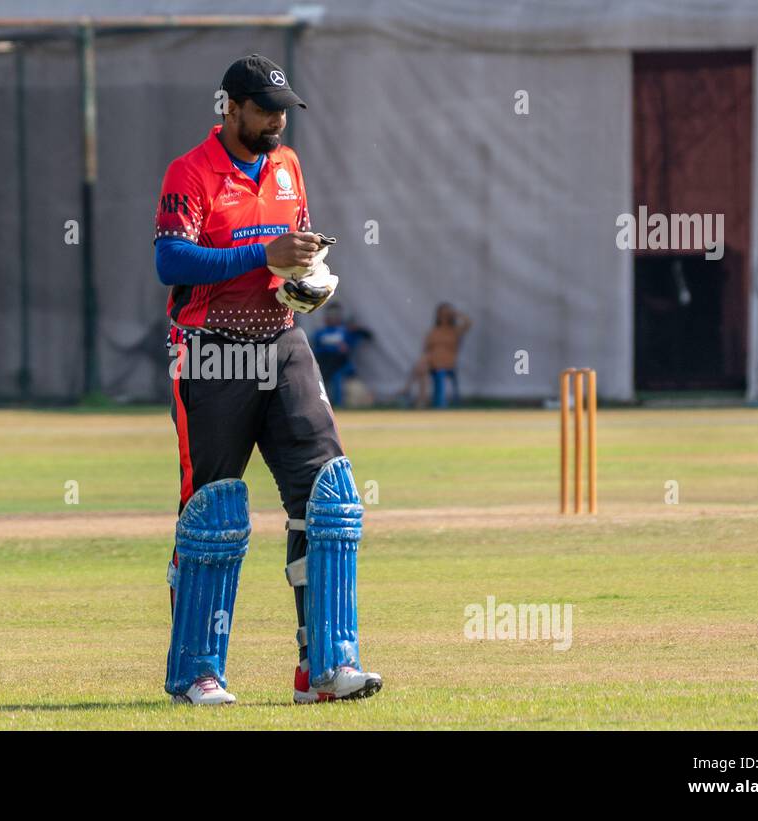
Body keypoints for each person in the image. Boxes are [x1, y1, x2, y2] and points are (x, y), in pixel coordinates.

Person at [152, 54, 382, 706]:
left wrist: (306, 275)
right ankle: (197, 671)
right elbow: (171, 259)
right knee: (214, 513)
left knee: (330, 498)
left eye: (282, 109)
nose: (276, 120)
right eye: (263, 109)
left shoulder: (286, 166)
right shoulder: (190, 172)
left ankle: (327, 667)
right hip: (210, 353)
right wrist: (263, 254)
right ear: (230, 107)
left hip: (282, 343)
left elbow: (291, 246)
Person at [403, 302, 472, 408]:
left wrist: (455, 313)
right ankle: (422, 398)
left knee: (422, 363)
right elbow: (426, 349)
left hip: (447, 362)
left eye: (446, 314)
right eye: (441, 314)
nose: (443, 317)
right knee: (423, 366)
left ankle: (411, 391)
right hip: (431, 361)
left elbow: (469, 322)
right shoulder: (433, 332)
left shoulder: (455, 330)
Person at [311, 304, 373, 406]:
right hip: (325, 363)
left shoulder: (346, 330)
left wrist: (356, 329)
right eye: (331, 314)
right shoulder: (320, 333)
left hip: (342, 364)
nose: (333, 317)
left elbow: (367, 335)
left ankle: (338, 405)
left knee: (337, 377)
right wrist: (332, 348)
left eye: (336, 314)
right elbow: (316, 350)